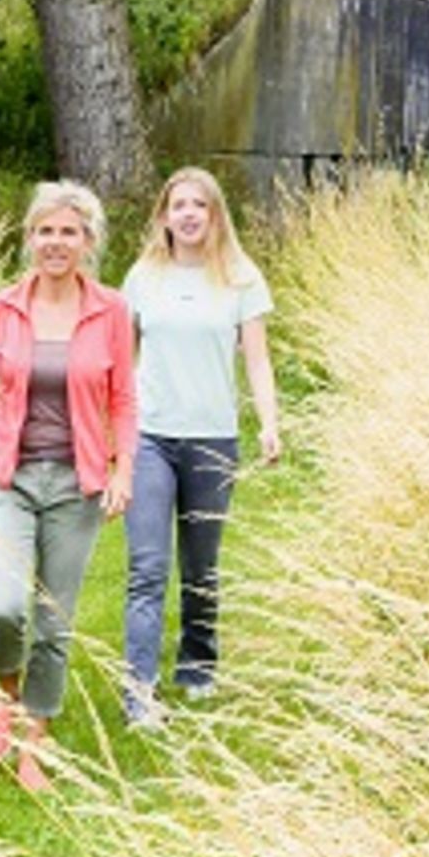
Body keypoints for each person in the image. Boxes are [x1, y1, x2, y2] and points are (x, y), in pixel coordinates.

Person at [0, 181, 137, 791]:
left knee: (54, 622)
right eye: (46, 231)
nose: (56, 243)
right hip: (9, 478)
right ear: (30, 239)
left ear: (88, 242)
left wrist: (121, 472)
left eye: (69, 232)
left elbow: (125, 401)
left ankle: (36, 741)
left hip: (75, 485)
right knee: (5, 609)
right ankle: (6, 694)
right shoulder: (2, 309)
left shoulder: (110, 311)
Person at [116, 168, 280, 724]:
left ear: (214, 216)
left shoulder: (240, 278)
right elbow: (120, 360)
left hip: (212, 439)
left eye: (199, 206)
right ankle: (137, 690)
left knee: (201, 564)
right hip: (150, 438)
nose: (188, 214)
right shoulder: (142, 278)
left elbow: (256, 359)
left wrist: (269, 423)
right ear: (163, 215)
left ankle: (198, 665)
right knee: (147, 566)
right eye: (178, 205)